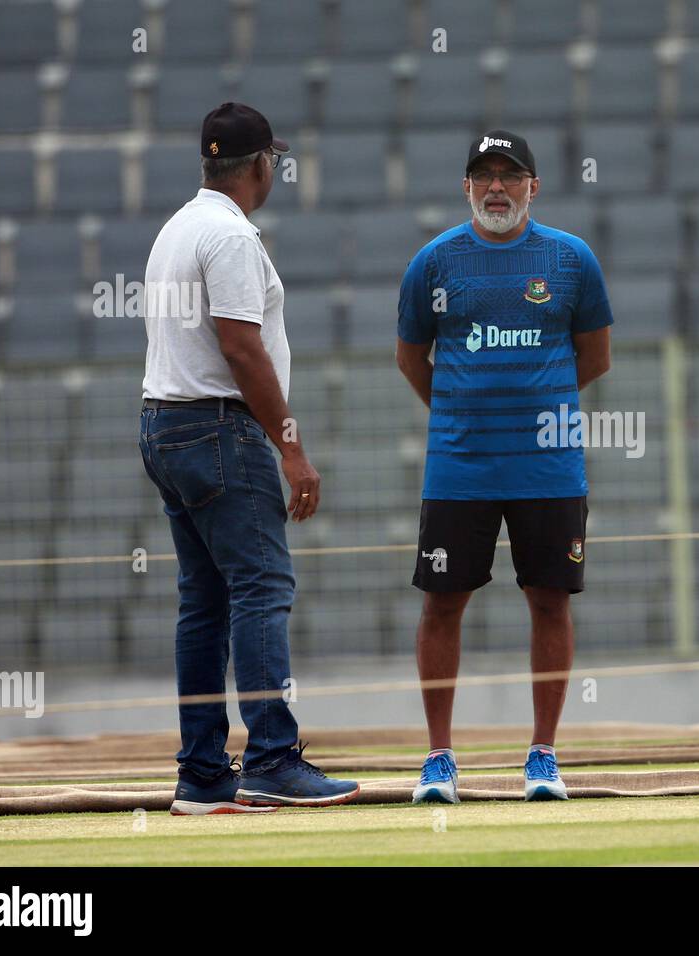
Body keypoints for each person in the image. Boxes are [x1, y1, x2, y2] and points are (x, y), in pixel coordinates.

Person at [139, 102, 359, 814]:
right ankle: (270, 757)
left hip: (165, 423)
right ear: (262, 165)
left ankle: (203, 770)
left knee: (203, 604)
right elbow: (240, 347)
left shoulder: (176, 228)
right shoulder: (231, 237)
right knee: (262, 588)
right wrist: (291, 448)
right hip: (219, 429)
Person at [395, 130, 614, 803]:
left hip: (547, 467)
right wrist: (466, 412)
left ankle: (543, 757)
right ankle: (438, 760)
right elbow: (411, 358)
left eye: (510, 175)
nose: (497, 187)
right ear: (465, 187)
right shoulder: (433, 264)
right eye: (484, 176)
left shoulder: (570, 259)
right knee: (442, 603)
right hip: (459, 466)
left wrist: (533, 410)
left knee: (549, 600)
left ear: (533, 186)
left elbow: (596, 356)